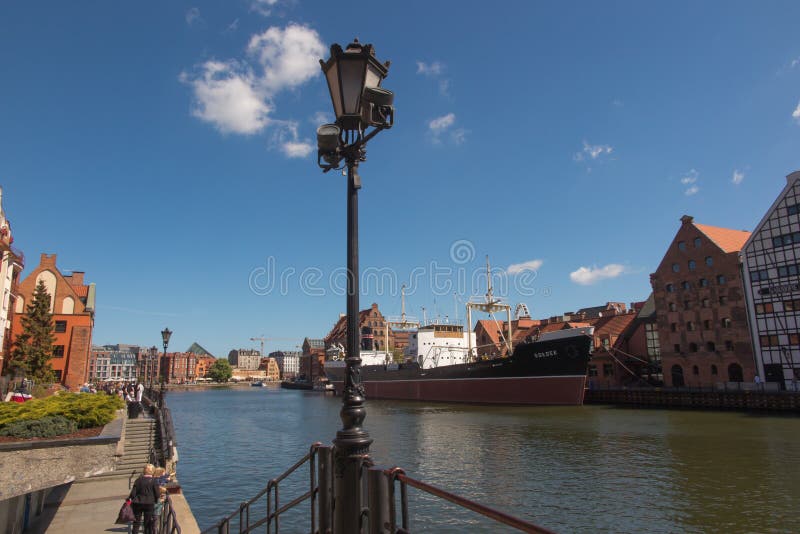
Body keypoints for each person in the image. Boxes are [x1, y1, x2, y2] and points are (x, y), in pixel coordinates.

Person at [128, 464, 160, 534]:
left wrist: (129, 500)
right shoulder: (154, 481)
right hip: (149, 503)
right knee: (147, 523)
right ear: (153, 471)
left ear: (144, 471)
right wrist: (156, 499)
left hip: (137, 503)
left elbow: (133, 493)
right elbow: (157, 494)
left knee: (136, 522)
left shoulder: (138, 480)